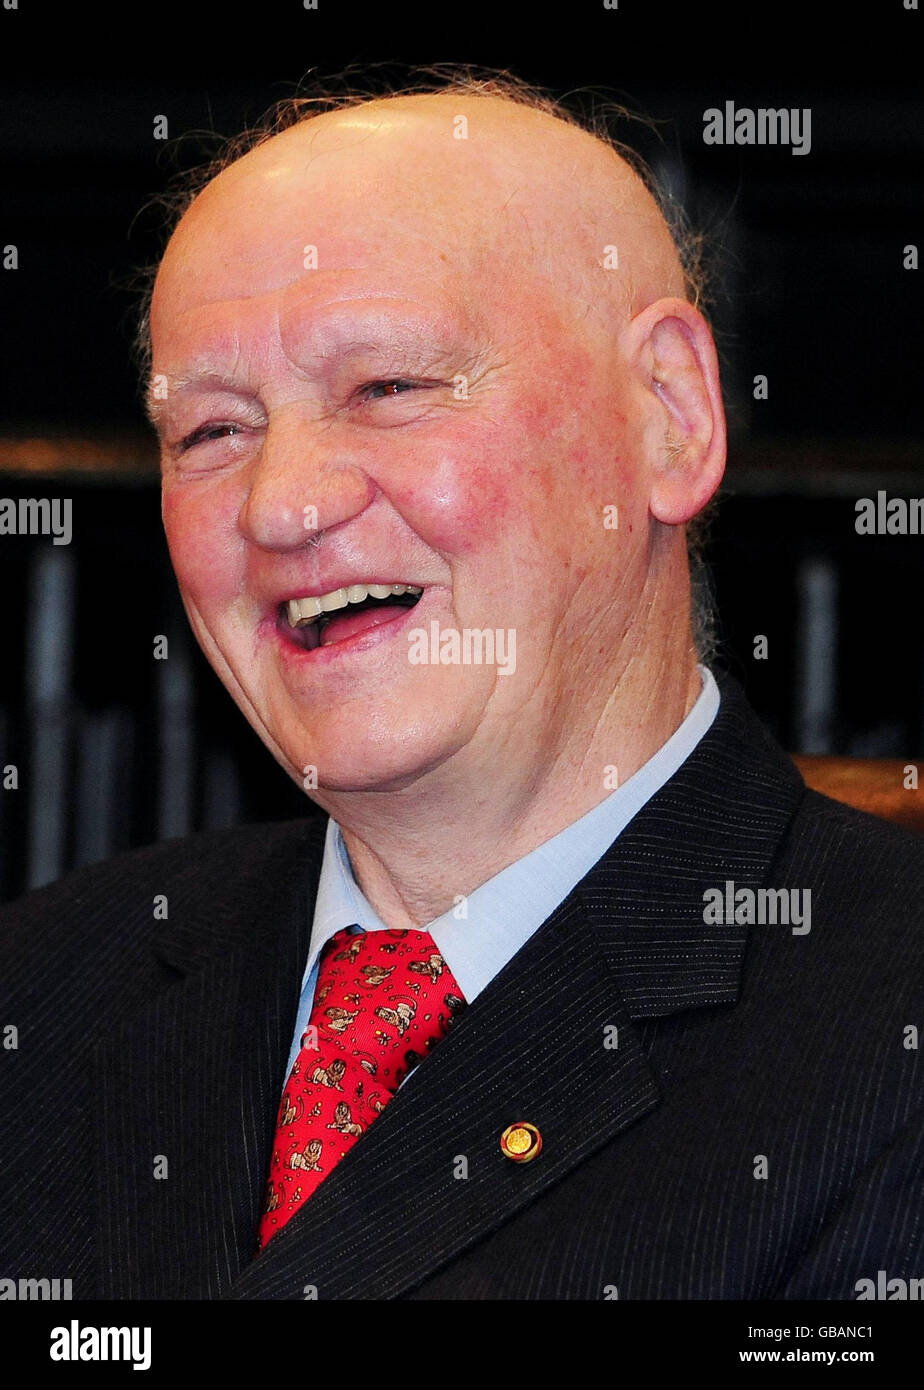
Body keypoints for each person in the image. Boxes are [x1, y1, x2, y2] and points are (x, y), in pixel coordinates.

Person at [2, 72, 922, 1302]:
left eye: (388, 388)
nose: (283, 504)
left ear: (669, 417)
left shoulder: (887, 1030)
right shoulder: (44, 988)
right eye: (212, 431)